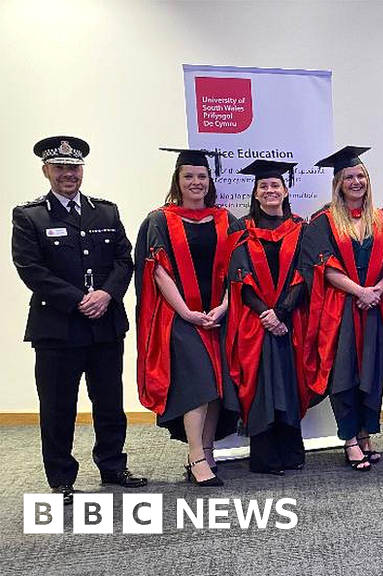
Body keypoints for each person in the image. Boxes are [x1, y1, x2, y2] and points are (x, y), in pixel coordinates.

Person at [12, 135, 147, 505]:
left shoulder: (105, 211)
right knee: (58, 406)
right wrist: (78, 301)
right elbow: (30, 269)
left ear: (82, 171)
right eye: (60, 168)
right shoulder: (30, 215)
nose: (68, 174)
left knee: (109, 401)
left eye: (74, 168)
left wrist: (106, 295)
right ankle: (60, 477)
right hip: (57, 328)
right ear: (46, 171)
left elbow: (124, 260)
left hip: (104, 324)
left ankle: (113, 466)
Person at [136, 147, 240, 487]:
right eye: (188, 177)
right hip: (180, 318)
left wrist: (223, 307)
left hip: (217, 316)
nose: (195, 182)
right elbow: (158, 271)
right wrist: (186, 312)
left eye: (201, 176)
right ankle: (196, 457)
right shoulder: (160, 220)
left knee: (215, 389)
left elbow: (238, 270)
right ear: (177, 181)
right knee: (198, 386)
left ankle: (206, 452)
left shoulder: (225, 219)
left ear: (209, 181)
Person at [303, 146, 383, 471]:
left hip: (374, 311)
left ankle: (366, 434)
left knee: (371, 373)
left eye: (361, 176)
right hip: (340, 312)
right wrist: (360, 292)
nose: (356, 182)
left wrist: (377, 291)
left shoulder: (381, 219)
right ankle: (350, 440)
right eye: (349, 177)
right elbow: (324, 266)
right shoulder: (322, 221)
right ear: (339, 183)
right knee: (344, 376)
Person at [226, 159, 312, 475]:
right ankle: (265, 458)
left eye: (275, 185)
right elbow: (238, 277)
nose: (270, 190)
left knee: (289, 383)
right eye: (264, 186)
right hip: (256, 322)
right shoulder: (241, 229)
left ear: (285, 190)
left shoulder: (301, 229)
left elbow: (305, 274)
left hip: (290, 321)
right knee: (261, 385)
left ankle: (291, 452)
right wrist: (266, 313)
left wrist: (283, 312)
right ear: (256, 192)